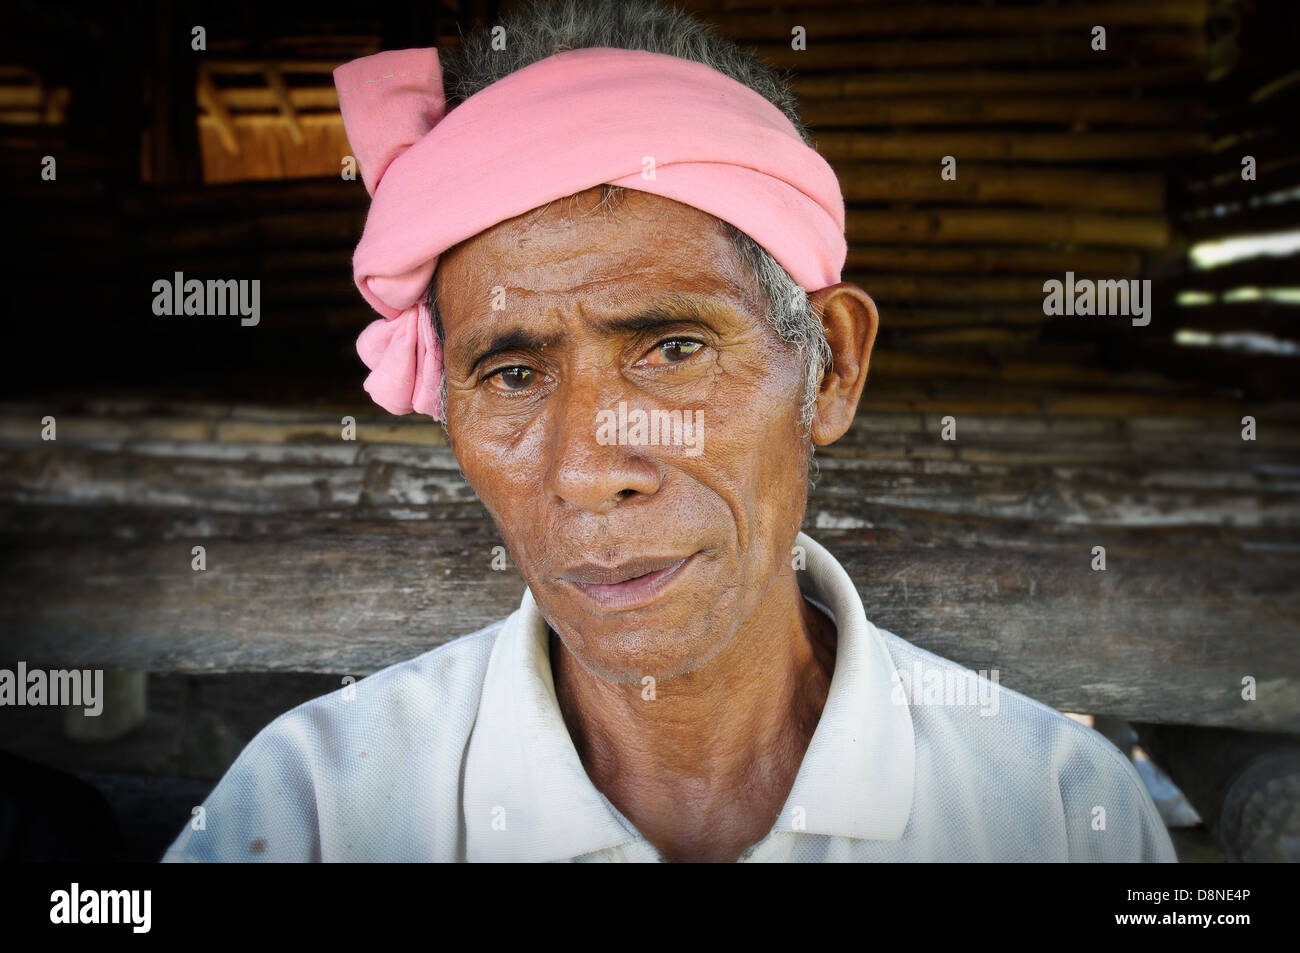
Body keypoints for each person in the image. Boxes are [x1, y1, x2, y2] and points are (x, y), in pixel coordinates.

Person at [163, 0, 1176, 863]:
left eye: (673, 349)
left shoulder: (1055, 809)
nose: (589, 469)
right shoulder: (310, 812)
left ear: (830, 364)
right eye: (512, 373)